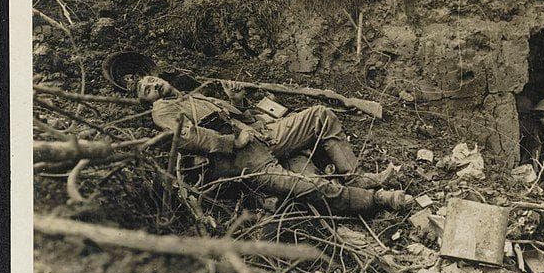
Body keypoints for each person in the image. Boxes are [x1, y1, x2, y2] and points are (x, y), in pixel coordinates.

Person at [136, 75, 408, 214]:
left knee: (320, 115)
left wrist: (238, 101)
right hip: (240, 160)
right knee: (306, 185)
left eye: (152, 79)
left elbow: (241, 117)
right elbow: (190, 138)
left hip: (262, 134)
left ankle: (357, 178)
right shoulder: (161, 111)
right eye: (145, 89)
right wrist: (233, 141)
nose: (152, 85)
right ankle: (375, 200)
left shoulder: (193, 96)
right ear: (146, 101)